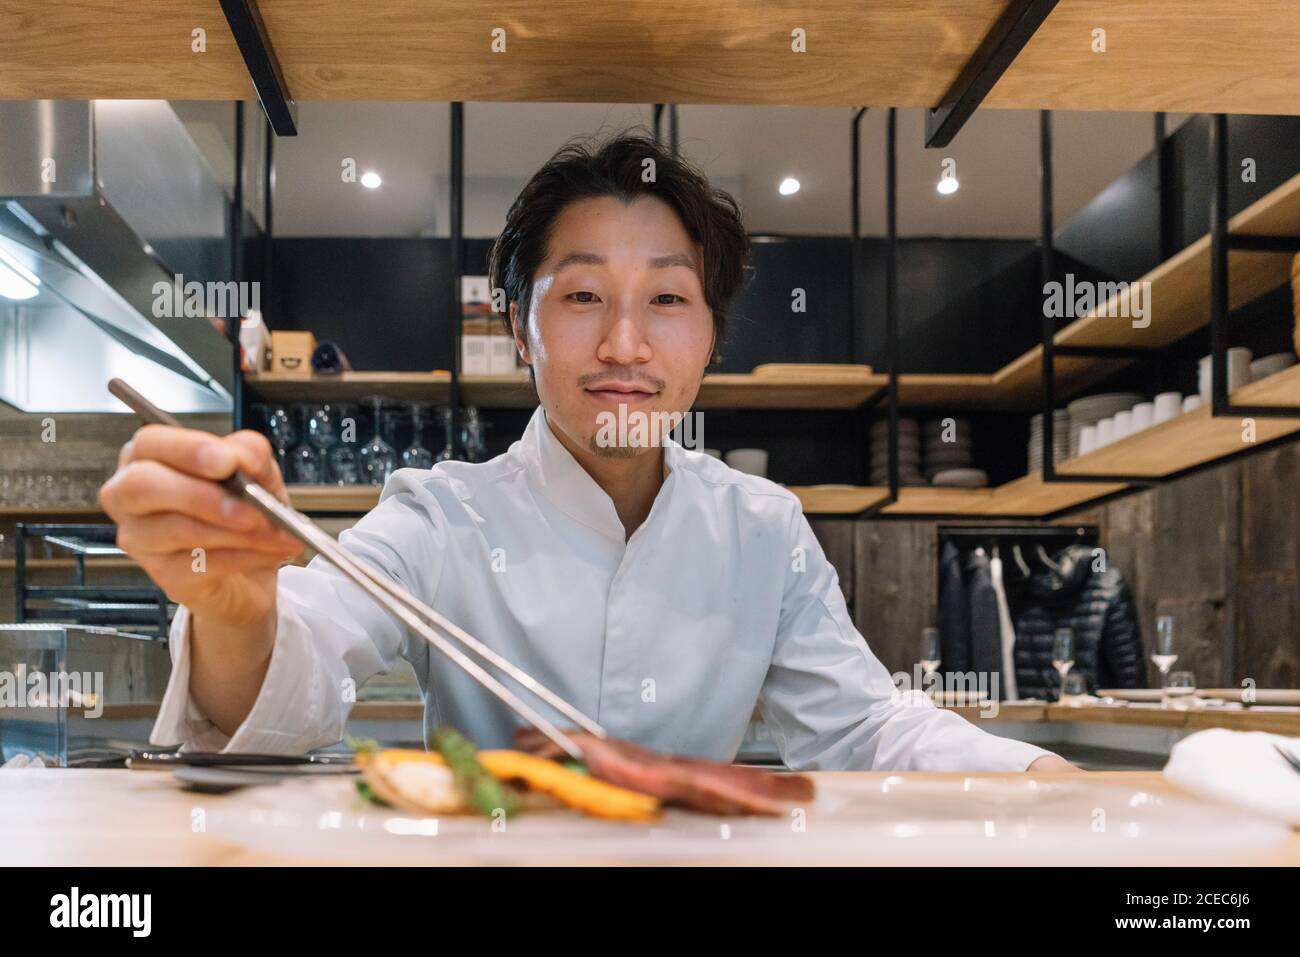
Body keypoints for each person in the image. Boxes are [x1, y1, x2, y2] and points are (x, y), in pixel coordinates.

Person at [100, 130, 1076, 772]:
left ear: (711, 335)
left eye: (665, 298)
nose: (623, 344)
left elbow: (864, 725)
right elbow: (296, 677)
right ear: (518, 331)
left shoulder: (761, 527)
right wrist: (235, 613)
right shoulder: (438, 513)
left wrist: (1033, 772)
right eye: (579, 297)